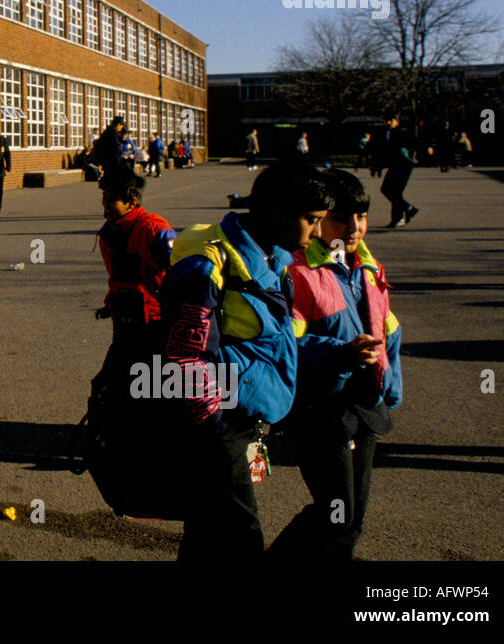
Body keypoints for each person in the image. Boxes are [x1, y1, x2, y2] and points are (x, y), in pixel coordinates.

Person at [146, 159, 333, 562]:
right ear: (277, 214)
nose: (318, 232)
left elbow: (276, 337)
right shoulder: (206, 265)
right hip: (216, 425)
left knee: (207, 534)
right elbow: (184, 356)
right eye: (312, 220)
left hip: (241, 420)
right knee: (240, 539)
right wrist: (212, 430)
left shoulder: (272, 258)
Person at [271, 170, 402, 559]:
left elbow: (390, 332)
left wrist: (390, 390)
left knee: (353, 519)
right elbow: (285, 342)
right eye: (343, 218)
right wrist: (339, 352)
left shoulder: (369, 266)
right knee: (335, 514)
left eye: (361, 216)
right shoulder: (299, 270)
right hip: (320, 408)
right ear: (320, 219)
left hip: (366, 405)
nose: (356, 227)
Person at [92, 166, 177, 408]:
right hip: (125, 319)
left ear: (132, 201)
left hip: (155, 324)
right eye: (103, 198)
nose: (105, 205)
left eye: (111, 199)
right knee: (110, 386)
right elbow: (119, 278)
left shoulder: (154, 229)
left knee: (149, 388)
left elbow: (180, 272)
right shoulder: (109, 233)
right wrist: (111, 303)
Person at [378, 114, 418, 227]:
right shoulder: (385, 132)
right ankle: (408, 210)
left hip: (404, 165)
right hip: (394, 165)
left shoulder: (403, 132)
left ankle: (398, 218)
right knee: (386, 189)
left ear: (397, 121)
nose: (387, 123)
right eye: (385, 120)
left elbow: (415, 143)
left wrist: (426, 148)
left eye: (390, 120)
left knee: (395, 192)